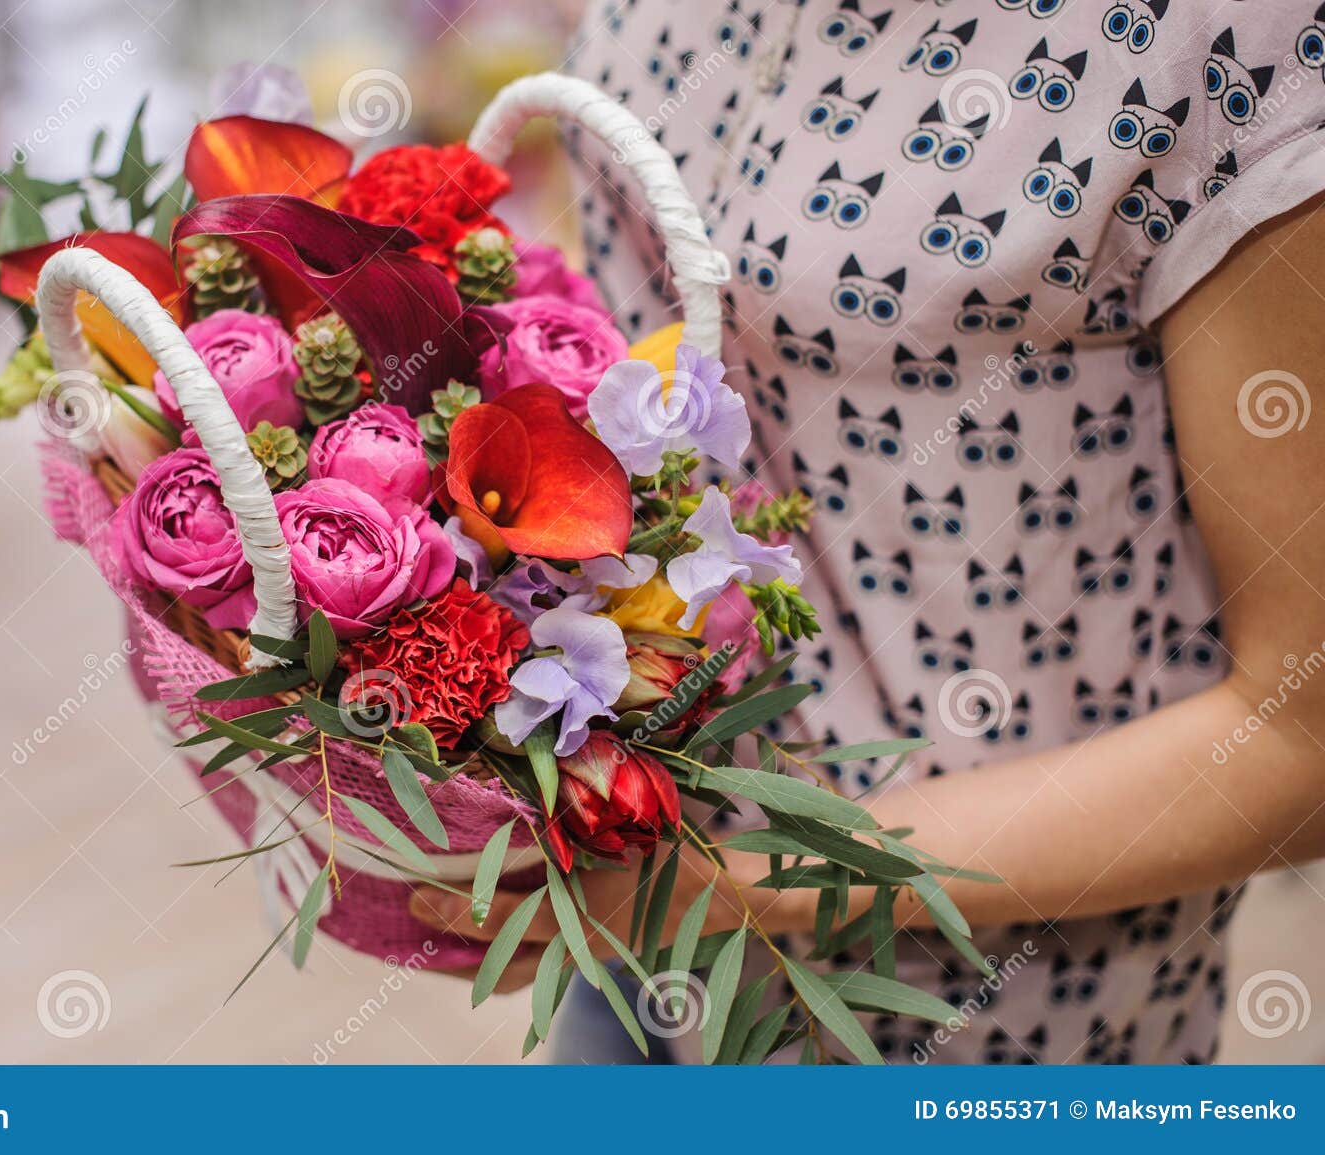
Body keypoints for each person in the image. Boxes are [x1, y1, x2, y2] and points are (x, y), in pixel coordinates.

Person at [414, 0, 1325, 1064]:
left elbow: (1299, 735)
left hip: (982, 1013)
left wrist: (737, 885)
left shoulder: (1225, 35)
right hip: (640, 931)